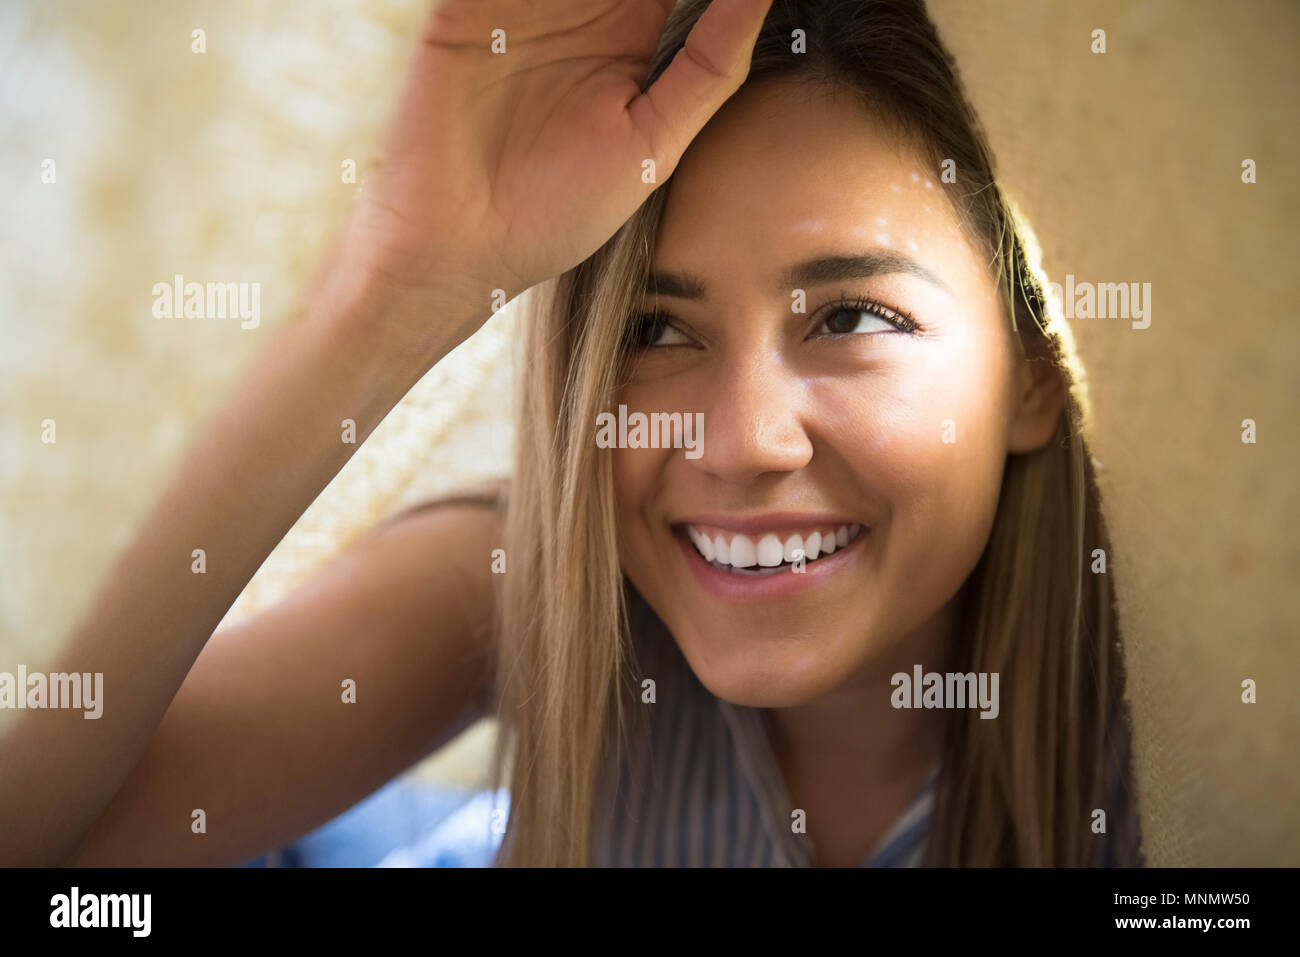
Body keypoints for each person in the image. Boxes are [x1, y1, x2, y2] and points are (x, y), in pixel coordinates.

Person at [2, 0, 1141, 868]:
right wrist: (400, 283)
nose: (741, 443)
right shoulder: (522, 578)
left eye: (851, 317)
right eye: (654, 328)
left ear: (1040, 376)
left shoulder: (1173, 731)